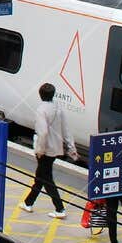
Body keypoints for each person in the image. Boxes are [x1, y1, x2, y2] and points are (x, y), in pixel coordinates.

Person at [20, 83, 77, 219]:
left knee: (46, 179)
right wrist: (72, 148)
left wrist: (40, 150)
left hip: (45, 150)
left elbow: (43, 133)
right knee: (40, 177)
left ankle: (60, 208)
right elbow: (66, 130)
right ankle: (28, 203)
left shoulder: (41, 110)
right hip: (55, 149)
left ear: (40, 95)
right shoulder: (58, 108)